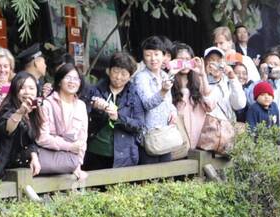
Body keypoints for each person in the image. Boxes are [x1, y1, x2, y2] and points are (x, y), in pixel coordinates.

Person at [87, 51, 145, 169]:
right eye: (115, 71)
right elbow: (84, 117)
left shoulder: (133, 95)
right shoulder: (96, 91)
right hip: (96, 151)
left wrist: (118, 118)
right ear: (108, 71)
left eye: (124, 74)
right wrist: (96, 109)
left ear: (130, 76)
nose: (118, 77)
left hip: (124, 153)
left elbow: (139, 125)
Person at [37, 61, 88, 180]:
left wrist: (78, 165)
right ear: (59, 81)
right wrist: (69, 146)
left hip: (70, 164)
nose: (72, 82)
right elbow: (41, 138)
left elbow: (82, 139)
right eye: (68, 78)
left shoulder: (81, 105)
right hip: (48, 162)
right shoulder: (47, 104)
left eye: (76, 79)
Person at [134, 36, 177, 164]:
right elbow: (147, 104)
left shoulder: (165, 75)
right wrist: (162, 91)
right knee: (149, 179)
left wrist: (174, 111)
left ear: (164, 56)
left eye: (157, 54)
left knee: (166, 176)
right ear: (143, 57)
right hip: (150, 137)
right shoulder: (141, 78)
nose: (153, 59)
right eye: (148, 55)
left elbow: (169, 102)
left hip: (165, 135)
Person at [0, 71, 42, 174]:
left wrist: (34, 156)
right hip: (4, 169)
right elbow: (7, 129)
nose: (27, 92)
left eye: (31, 88)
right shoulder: (8, 109)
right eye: (22, 88)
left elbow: (32, 140)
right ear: (15, 91)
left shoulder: (33, 111)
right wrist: (20, 112)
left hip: (23, 166)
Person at [170, 45, 216, 156]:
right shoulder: (168, 83)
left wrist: (202, 75)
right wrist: (171, 73)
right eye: (180, 59)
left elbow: (210, 105)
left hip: (199, 137)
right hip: (178, 138)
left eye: (187, 59)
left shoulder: (198, 82)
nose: (184, 63)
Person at [202, 46, 246, 125]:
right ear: (205, 63)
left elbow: (239, 104)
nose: (215, 64)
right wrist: (207, 76)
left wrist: (232, 78)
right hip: (211, 128)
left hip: (229, 128)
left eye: (219, 60)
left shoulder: (228, 81)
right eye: (211, 60)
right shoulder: (200, 82)